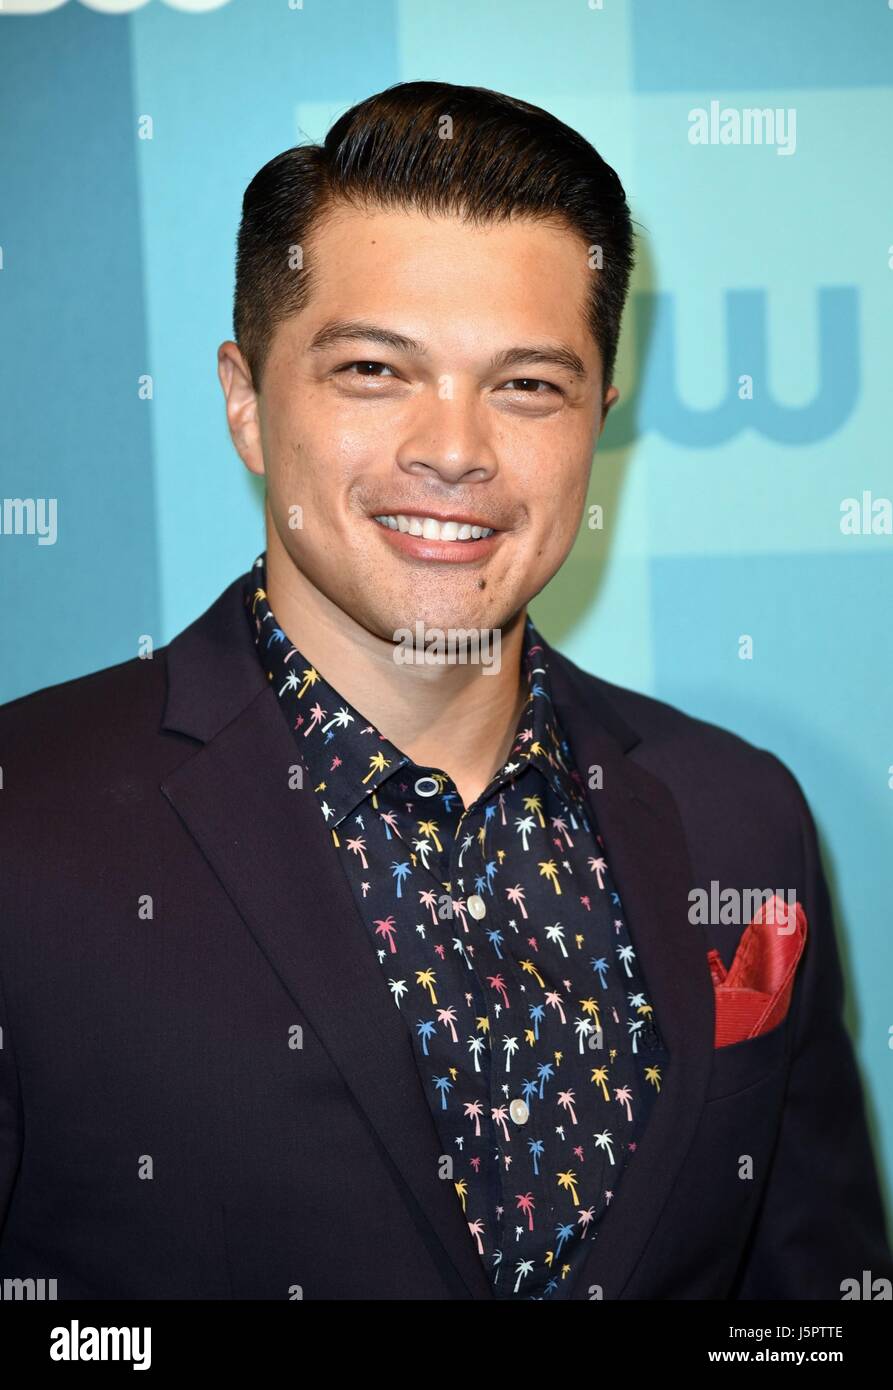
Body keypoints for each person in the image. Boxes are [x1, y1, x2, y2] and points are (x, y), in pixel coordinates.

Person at [0, 80, 890, 1301]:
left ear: (595, 424)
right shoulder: (25, 819)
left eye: (527, 384)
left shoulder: (738, 813)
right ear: (246, 402)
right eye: (375, 369)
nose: (455, 449)